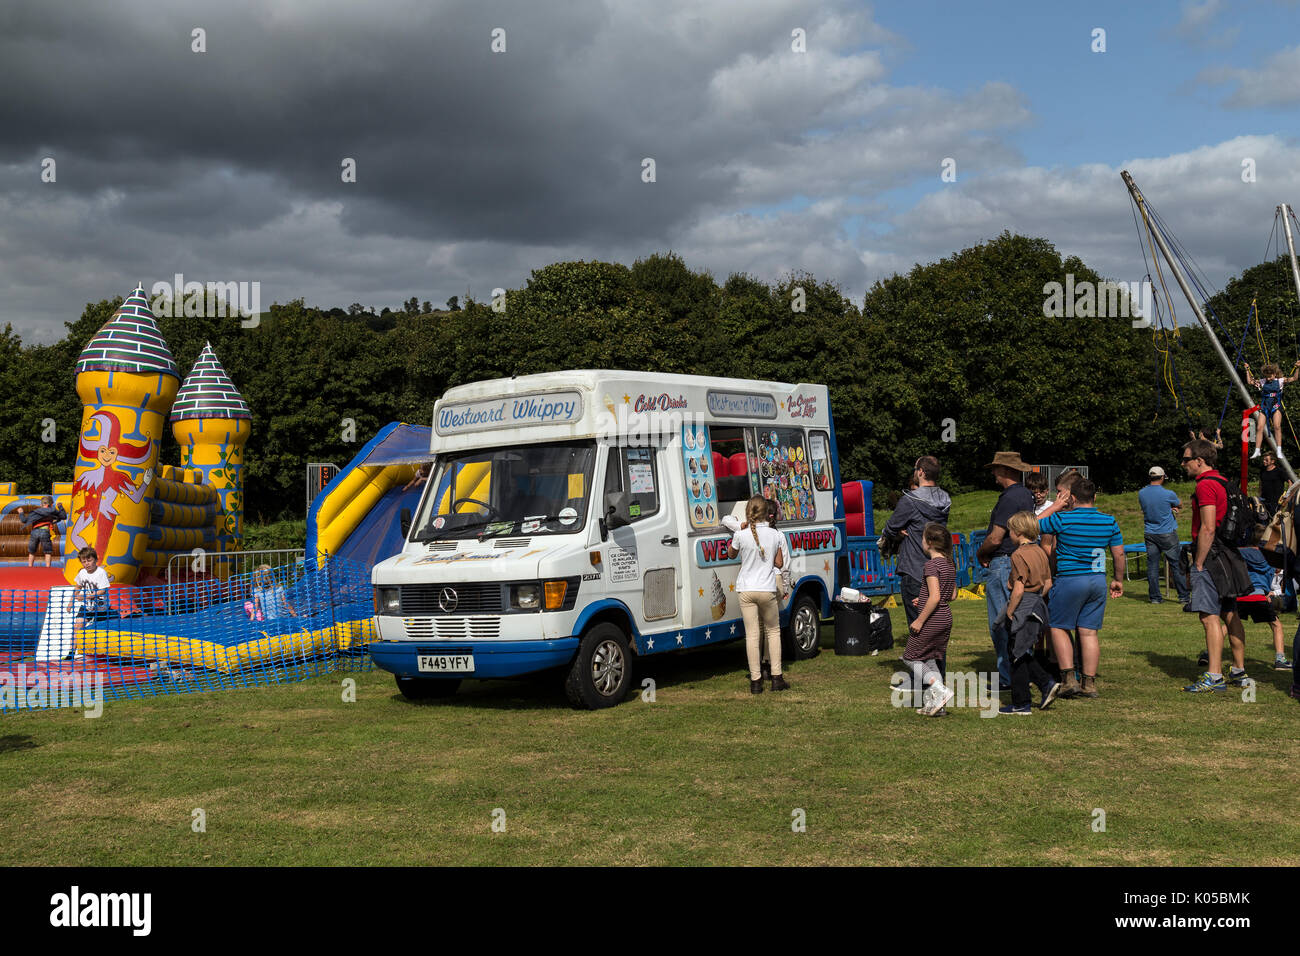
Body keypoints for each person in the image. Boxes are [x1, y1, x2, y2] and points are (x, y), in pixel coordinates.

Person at [1037, 478, 1124, 698]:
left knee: (1057, 626)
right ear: (1094, 498)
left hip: (1070, 578)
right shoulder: (1109, 521)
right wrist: (1118, 579)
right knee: (1088, 632)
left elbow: (1031, 525)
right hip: (1097, 580)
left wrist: (1055, 506)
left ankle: (1068, 679)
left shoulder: (1062, 518)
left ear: (1072, 498)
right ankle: (1089, 683)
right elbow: (1119, 553)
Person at [1180, 438, 1251, 693]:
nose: (1183, 463)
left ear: (1200, 461)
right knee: (1230, 613)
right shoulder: (1225, 482)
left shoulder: (1205, 486)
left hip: (1212, 556)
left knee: (1208, 616)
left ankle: (1214, 675)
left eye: (1186, 459)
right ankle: (1239, 671)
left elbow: (1208, 527)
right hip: (1230, 555)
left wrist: (1197, 563)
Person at [975, 452, 1036, 691]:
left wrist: (982, 553)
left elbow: (996, 537)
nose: (993, 473)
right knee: (1020, 619)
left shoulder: (1009, 498)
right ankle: (1024, 672)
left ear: (1006, 470)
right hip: (1024, 559)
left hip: (1003, 562)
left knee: (1001, 622)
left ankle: (1008, 676)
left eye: (996, 469)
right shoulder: (1026, 495)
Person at [881, 456, 952, 631]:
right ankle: (937, 659)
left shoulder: (910, 500)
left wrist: (899, 532)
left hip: (915, 570)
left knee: (917, 626)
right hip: (938, 566)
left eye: (915, 469)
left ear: (920, 472)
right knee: (935, 625)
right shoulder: (945, 500)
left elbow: (890, 528)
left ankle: (919, 658)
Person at [999, 511, 1060, 713]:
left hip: (1023, 605)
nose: (1008, 534)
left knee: (1015, 653)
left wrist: (1010, 610)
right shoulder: (1041, 552)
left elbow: (1017, 588)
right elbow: (1048, 583)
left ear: (1017, 532)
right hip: (1038, 604)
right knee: (1022, 649)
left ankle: (1024, 700)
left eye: (1010, 530)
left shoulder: (1018, 555)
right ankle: (1040, 687)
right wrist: (1036, 596)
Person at [727, 495, 787, 693]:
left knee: (752, 635)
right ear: (765, 513)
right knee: (773, 631)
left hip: (746, 588)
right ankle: (777, 677)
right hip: (766, 588)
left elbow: (731, 554)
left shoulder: (741, 535)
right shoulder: (774, 534)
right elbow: (779, 563)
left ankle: (755, 681)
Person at [905, 523, 957, 717]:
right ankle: (938, 704)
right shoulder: (949, 564)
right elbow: (951, 595)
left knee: (911, 656)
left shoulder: (931, 565)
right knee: (929, 658)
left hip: (932, 619)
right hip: (945, 618)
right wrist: (925, 598)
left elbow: (935, 597)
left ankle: (940, 691)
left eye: (923, 538)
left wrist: (919, 620)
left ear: (930, 543)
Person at [1235, 539, 1293, 671]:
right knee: (1276, 625)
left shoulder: (1243, 555)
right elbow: (1273, 574)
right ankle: (1280, 659)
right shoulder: (1269, 557)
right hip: (1258, 596)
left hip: (1242, 596)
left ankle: (1210, 653)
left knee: (1228, 625)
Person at [1138, 466, 1190, 605]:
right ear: (1162, 478)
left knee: (1153, 567)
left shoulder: (1141, 493)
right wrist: (1173, 508)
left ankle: (1155, 597)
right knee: (1176, 565)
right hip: (1167, 533)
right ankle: (1183, 596)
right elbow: (1180, 505)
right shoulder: (1169, 494)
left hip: (1150, 532)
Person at [1244, 360, 1300, 459]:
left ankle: (1279, 450)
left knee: (1277, 426)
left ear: (1274, 374)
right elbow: (1249, 382)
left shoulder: (1280, 381)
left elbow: (1295, 378)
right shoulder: (1263, 381)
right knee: (1259, 427)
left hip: (1276, 406)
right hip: (1265, 406)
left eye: (1270, 376)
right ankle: (1257, 450)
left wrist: (1297, 367)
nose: (1268, 378)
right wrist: (1247, 370)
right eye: (1267, 376)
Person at [65, 546, 111, 632]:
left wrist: (86, 596)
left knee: (100, 631)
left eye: (89, 561)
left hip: (101, 608)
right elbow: (77, 588)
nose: (87, 563)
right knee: (77, 626)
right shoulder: (82, 573)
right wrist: (71, 602)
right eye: (84, 562)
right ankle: (73, 645)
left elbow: (102, 591)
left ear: (96, 560)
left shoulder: (101, 573)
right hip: (87, 607)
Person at [18, 496, 67, 568]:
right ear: (51, 504)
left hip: (35, 531)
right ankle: (48, 567)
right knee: (48, 551)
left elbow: (24, 520)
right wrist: (60, 507)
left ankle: (30, 566)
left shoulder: (36, 512)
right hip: (45, 531)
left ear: (41, 504)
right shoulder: (52, 511)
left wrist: (21, 513)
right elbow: (63, 516)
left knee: (32, 551)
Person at [1259, 449, 1287, 517]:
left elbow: (1290, 483)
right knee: (1263, 520)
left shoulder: (1279, 471)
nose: (1264, 461)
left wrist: (1286, 497)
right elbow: (1261, 484)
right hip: (1263, 500)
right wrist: (1259, 497)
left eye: (1266, 460)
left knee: (1274, 521)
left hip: (1276, 502)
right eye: (1264, 459)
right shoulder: (1262, 470)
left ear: (1273, 461)